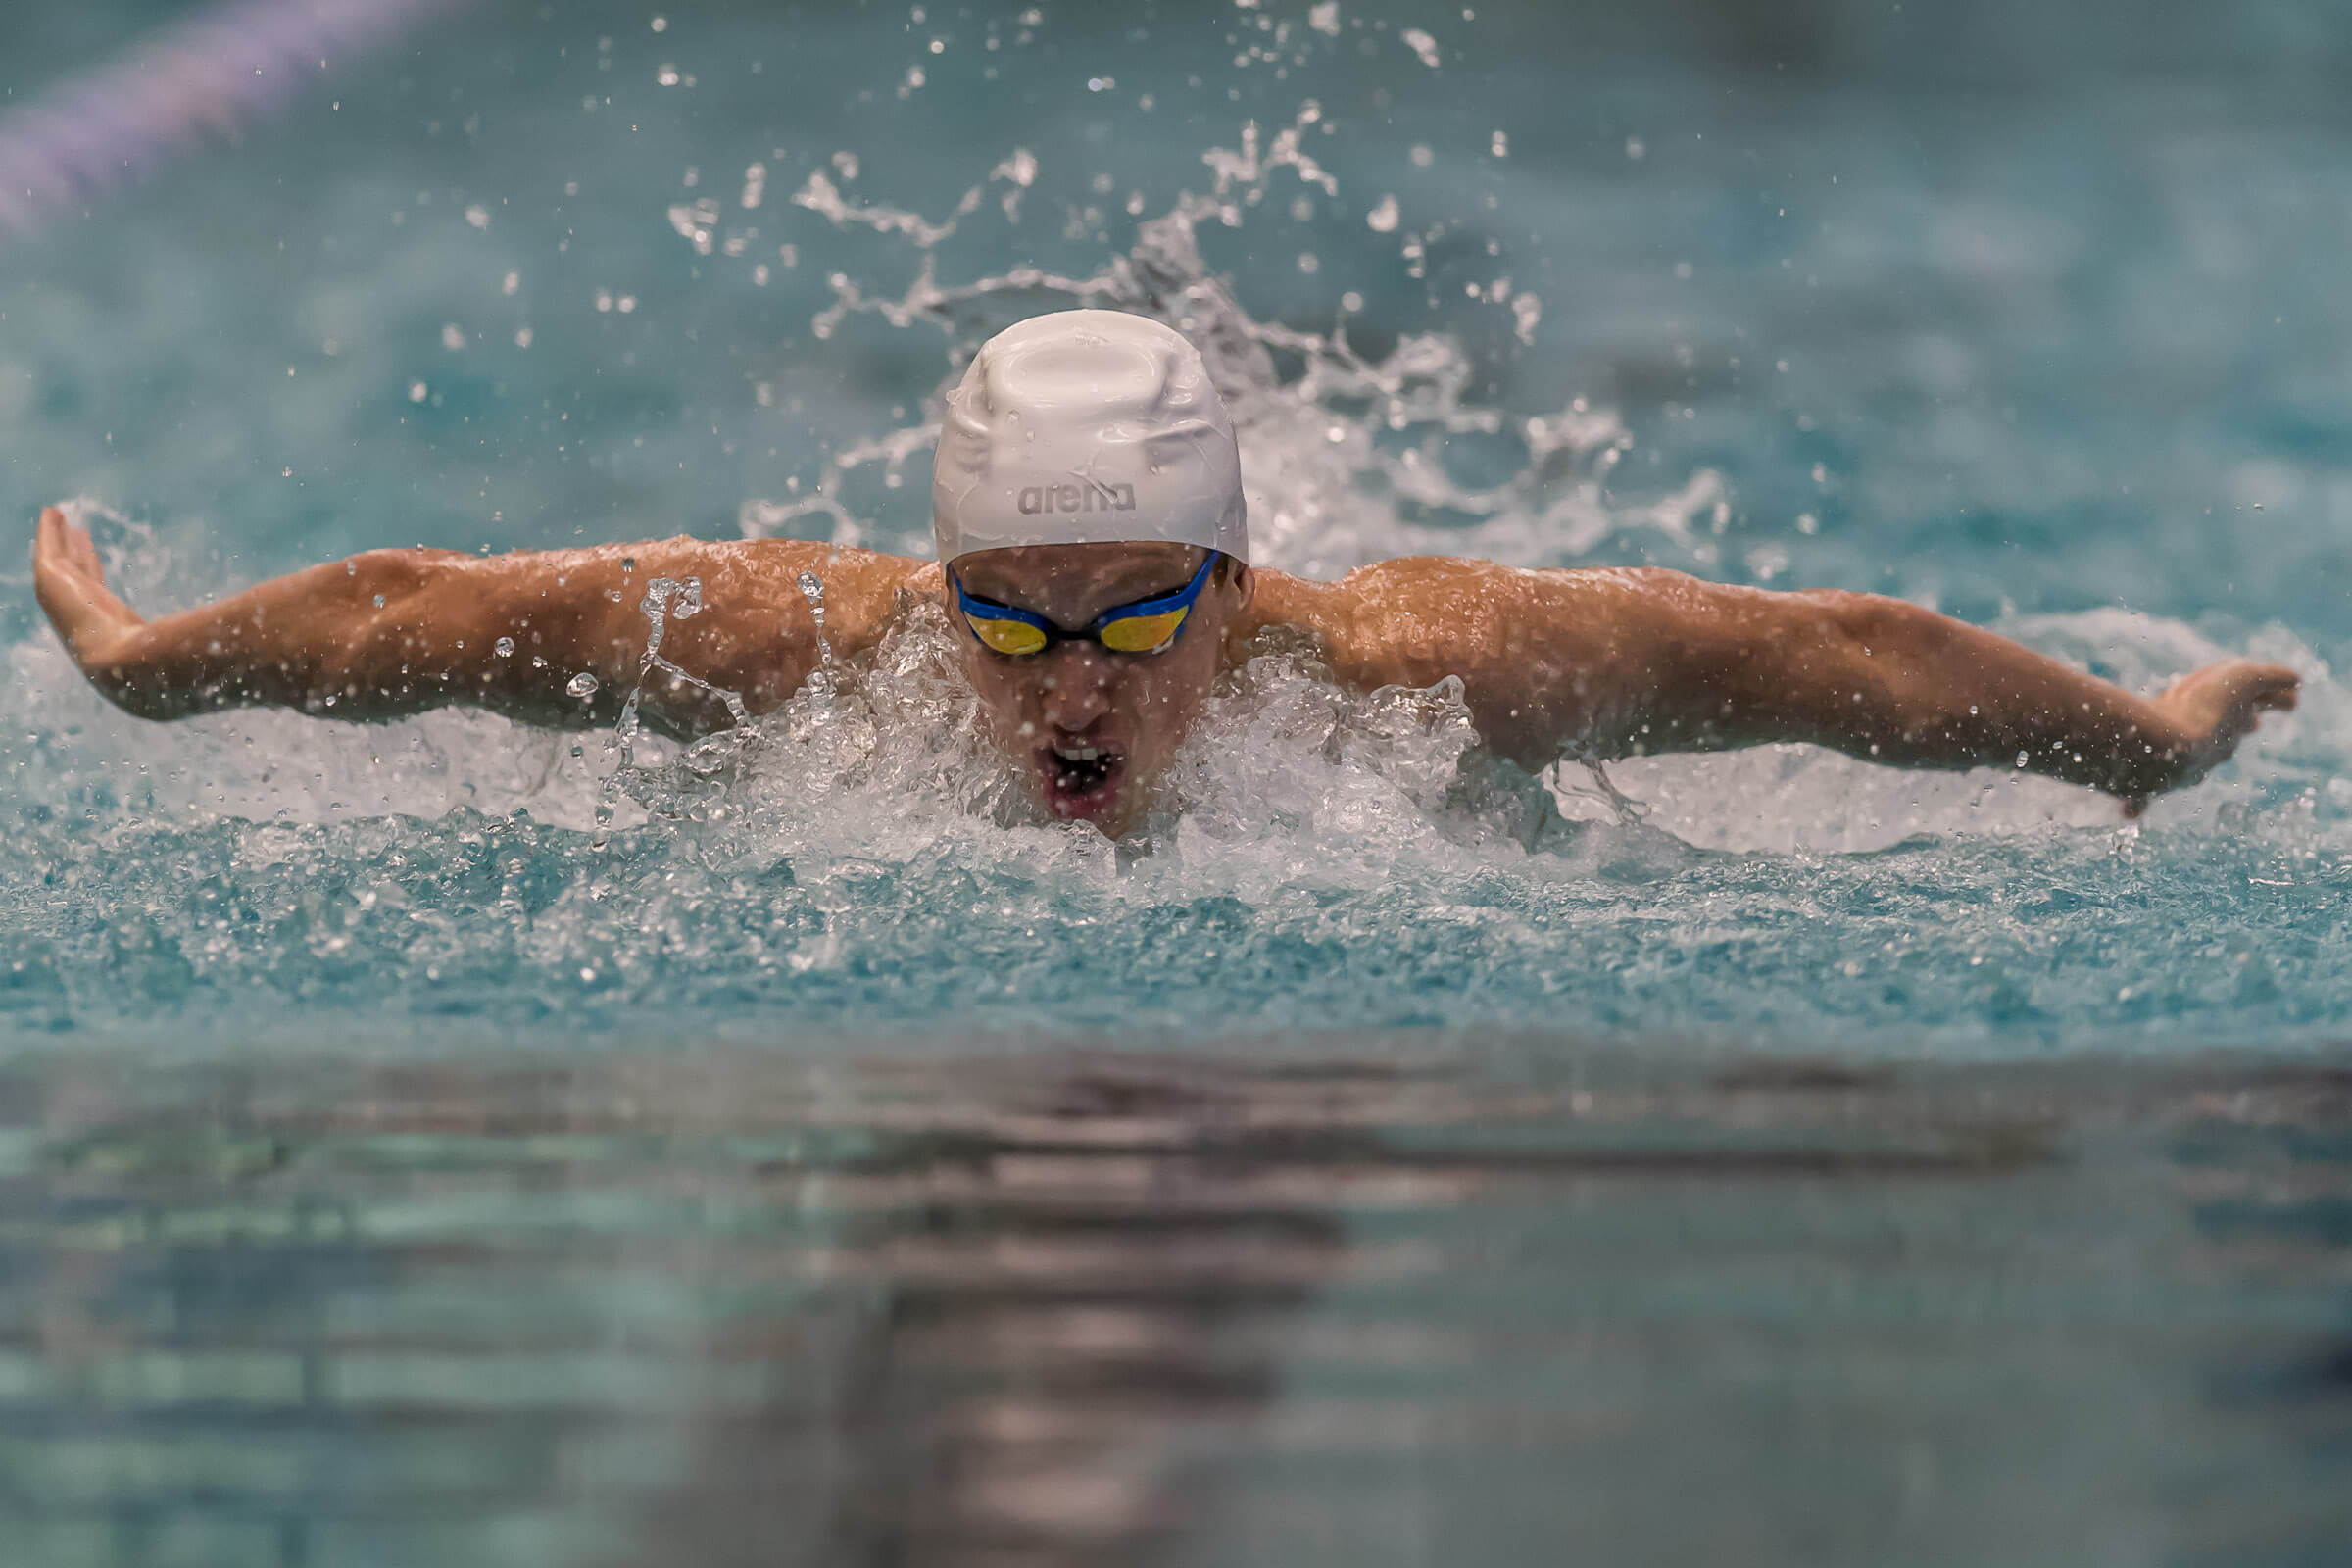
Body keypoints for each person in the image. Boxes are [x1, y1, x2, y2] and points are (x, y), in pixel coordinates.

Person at [31, 309, 2299, 839]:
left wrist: (2150, 740)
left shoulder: (1422, 666)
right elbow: (427, 607)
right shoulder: (800, 646)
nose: (1071, 689)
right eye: (1009, 620)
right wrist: (141, 664)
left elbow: (1840, 658)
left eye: (1133, 616)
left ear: (1233, 580)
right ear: (943, 589)